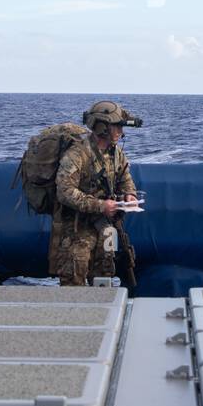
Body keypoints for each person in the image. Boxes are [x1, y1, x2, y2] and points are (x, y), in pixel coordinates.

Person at [48, 100, 139, 286]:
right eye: (117, 127)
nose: (121, 132)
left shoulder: (116, 154)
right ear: (102, 127)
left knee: (105, 272)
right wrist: (100, 206)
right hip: (77, 229)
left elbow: (125, 180)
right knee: (75, 275)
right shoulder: (77, 154)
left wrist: (130, 196)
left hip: (107, 228)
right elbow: (64, 191)